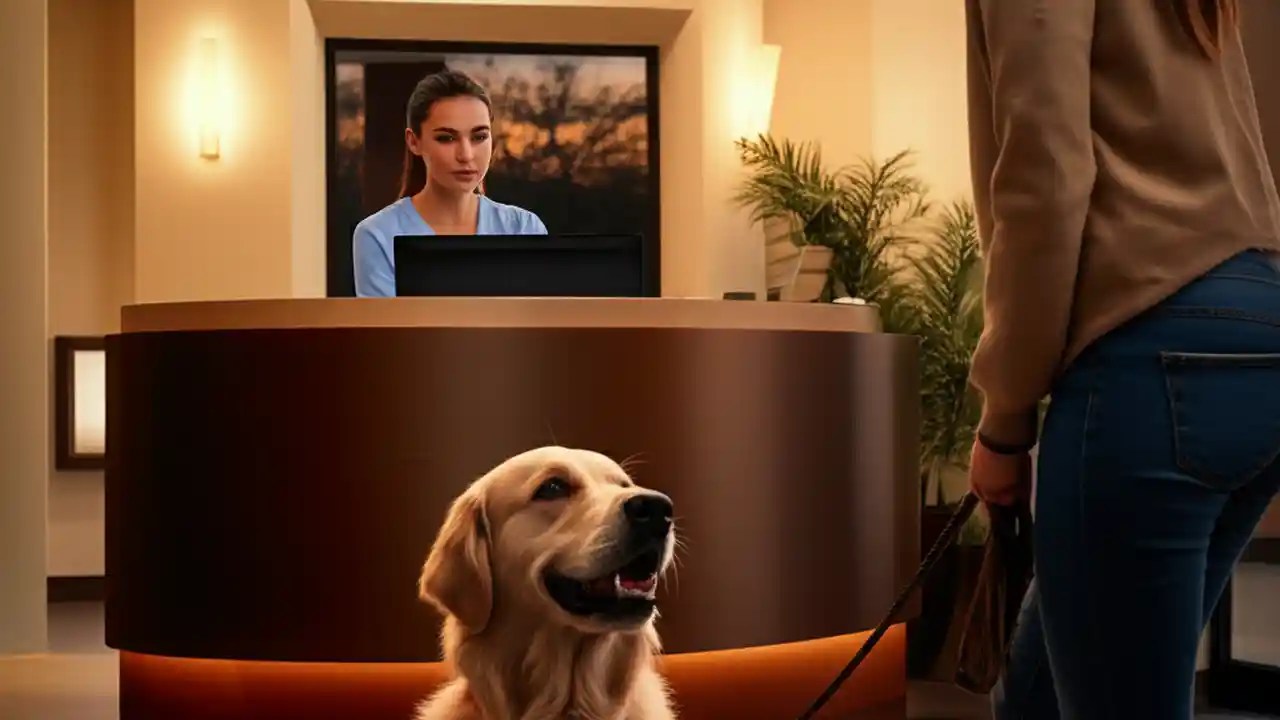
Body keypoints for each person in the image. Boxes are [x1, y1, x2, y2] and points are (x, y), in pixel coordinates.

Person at [964, 0, 1280, 717]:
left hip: (1150, 353)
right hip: (1256, 332)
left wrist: (1005, 419)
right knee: (1043, 694)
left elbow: (1045, 179)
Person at [353, 69, 547, 297]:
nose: (466, 155)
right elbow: (383, 331)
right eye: (446, 138)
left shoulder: (523, 229)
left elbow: (540, 325)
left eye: (479, 137)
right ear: (414, 141)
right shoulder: (378, 234)